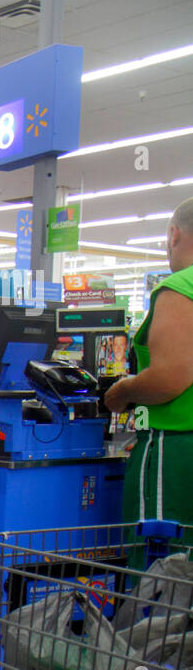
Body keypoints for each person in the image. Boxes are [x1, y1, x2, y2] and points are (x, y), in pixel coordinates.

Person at [105, 198, 193, 534]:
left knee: (162, 569)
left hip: (177, 449)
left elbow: (169, 379)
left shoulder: (179, 288)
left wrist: (124, 390)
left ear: (173, 234)